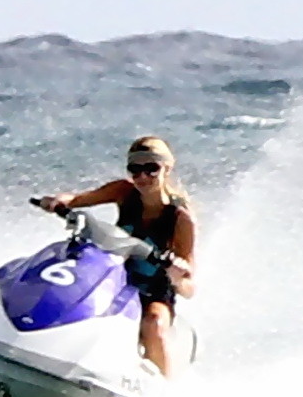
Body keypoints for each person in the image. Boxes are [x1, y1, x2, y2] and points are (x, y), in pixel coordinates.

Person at [37, 136, 196, 378]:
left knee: (153, 324)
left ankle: (165, 391)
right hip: (115, 279)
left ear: (167, 168)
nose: (142, 177)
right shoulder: (124, 191)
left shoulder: (180, 218)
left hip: (154, 293)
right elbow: (79, 199)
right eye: (135, 169)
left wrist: (177, 276)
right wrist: (59, 201)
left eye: (151, 169)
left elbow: (189, 288)